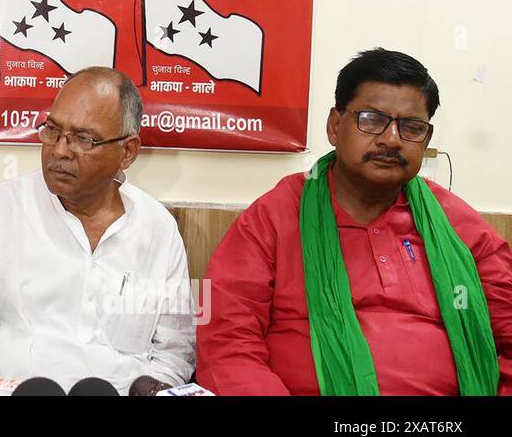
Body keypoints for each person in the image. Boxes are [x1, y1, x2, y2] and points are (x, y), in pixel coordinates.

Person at [199, 49, 512, 395]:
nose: (391, 139)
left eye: (411, 127)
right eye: (371, 119)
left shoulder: (455, 227)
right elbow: (226, 340)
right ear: (335, 125)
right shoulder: (273, 218)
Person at [0, 67, 195, 394]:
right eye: (53, 131)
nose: (59, 150)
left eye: (83, 139)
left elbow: (174, 353)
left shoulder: (158, 228)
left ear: (127, 151)